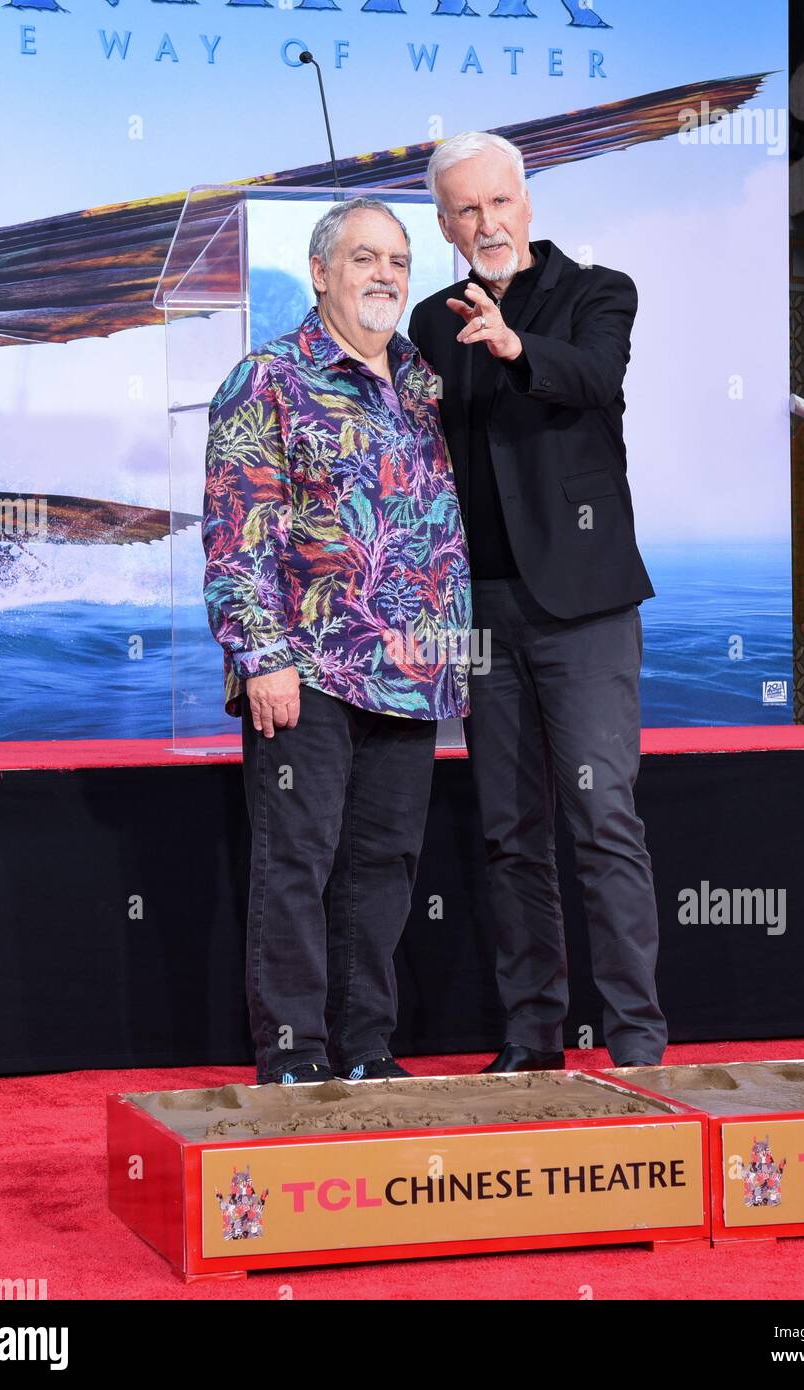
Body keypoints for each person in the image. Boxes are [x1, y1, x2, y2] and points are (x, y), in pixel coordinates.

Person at [408, 131, 667, 1073]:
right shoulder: (432, 322)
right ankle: (531, 1038)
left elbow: (594, 377)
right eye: (466, 210)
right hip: (479, 612)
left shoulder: (600, 292)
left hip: (585, 605)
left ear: (529, 204)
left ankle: (637, 1043)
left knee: (603, 822)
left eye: (500, 203)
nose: (487, 223)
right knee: (509, 833)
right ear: (443, 223)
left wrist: (516, 344)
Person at [203, 197, 471, 1084]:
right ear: (321, 273)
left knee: (381, 874)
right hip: (308, 671)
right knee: (297, 869)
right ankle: (293, 1058)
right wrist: (262, 656)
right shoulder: (266, 378)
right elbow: (238, 534)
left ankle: (363, 1050)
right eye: (364, 257)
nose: (385, 274)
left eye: (397, 258)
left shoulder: (425, 383)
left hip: (413, 673)